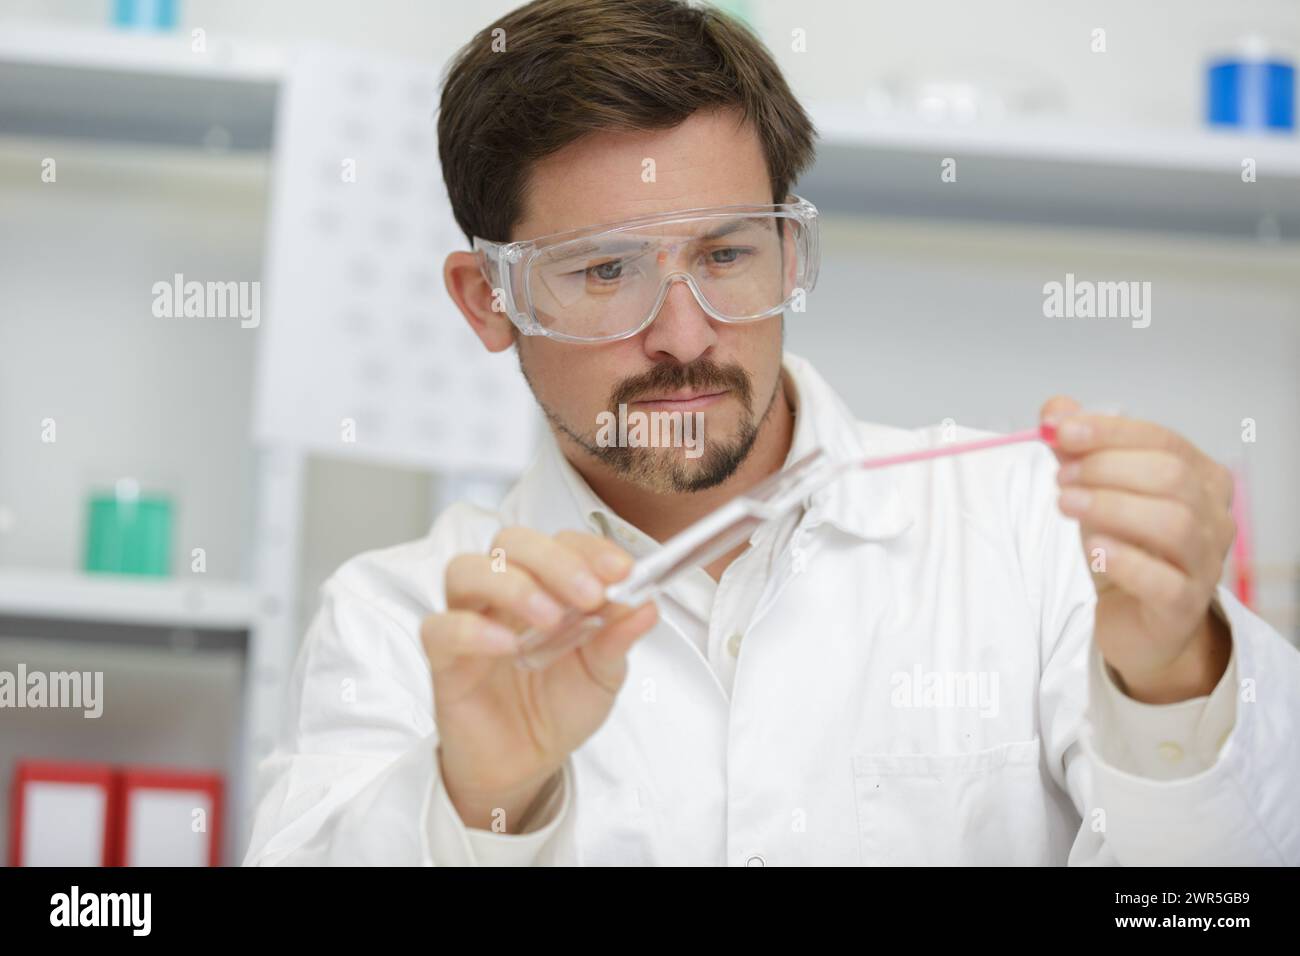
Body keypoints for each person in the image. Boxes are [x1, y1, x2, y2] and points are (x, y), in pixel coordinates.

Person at [244, 0, 1300, 866]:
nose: (683, 332)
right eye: (605, 269)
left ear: (790, 256)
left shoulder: (1035, 532)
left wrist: (1175, 682)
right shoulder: (397, 621)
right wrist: (480, 802)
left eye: (727, 253)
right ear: (486, 301)